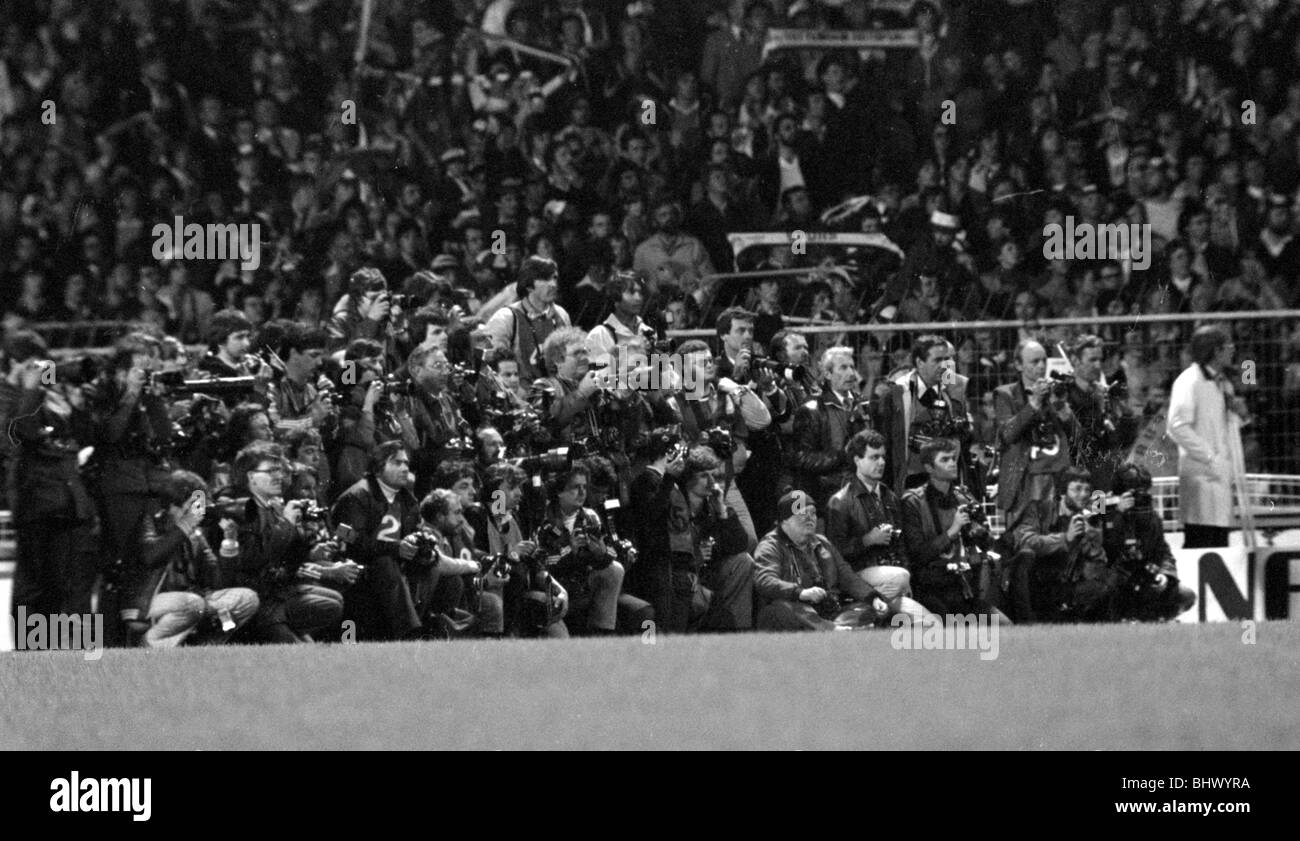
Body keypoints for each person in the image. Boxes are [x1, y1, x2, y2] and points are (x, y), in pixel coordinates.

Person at [130, 471, 260, 648]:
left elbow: (219, 582)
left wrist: (229, 541)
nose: (199, 511)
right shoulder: (152, 522)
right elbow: (151, 557)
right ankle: (150, 646)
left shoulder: (196, 535)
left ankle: (205, 647)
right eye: (194, 505)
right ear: (173, 505)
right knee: (193, 603)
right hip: (148, 604)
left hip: (190, 601)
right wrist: (187, 522)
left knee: (247, 599)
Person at [826, 431, 932, 623]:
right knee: (900, 577)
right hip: (859, 576)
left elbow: (901, 545)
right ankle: (870, 607)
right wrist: (866, 540)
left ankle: (875, 607)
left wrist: (905, 578)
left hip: (893, 577)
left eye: (883, 457)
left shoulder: (889, 496)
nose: (881, 462)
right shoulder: (840, 502)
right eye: (874, 457)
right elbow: (834, 555)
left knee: (931, 625)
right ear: (857, 460)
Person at [900, 438, 1008, 620]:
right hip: (931, 590)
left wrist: (980, 534)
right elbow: (917, 555)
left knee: (1006, 629)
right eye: (944, 460)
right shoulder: (913, 502)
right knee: (954, 637)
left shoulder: (963, 498)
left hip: (964, 588)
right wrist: (952, 531)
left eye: (953, 458)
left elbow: (989, 542)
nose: (952, 464)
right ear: (929, 468)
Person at [753, 490, 888, 631]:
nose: (809, 518)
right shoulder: (770, 545)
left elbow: (847, 576)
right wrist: (800, 593)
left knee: (873, 609)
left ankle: (837, 629)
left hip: (828, 611)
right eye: (801, 513)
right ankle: (834, 629)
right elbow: (764, 580)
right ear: (785, 520)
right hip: (797, 611)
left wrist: (873, 598)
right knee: (782, 608)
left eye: (812, 513)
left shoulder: (822, 542)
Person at [1167, 325, 1247, 548]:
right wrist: (1210, 457)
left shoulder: (1224, 384)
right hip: (1201, 477)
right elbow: (1176, 426)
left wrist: (1241, 415)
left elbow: (1224, 427)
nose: (1233, 350)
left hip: (1219, 476)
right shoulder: (1189, 381)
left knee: (1220, 541)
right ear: (1215, 350)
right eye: (1229, 345)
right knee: (1200, 541)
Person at [1010, 466, 1119, 623]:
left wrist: (1092, 537)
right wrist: (1065, 539)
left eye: (1087, 490)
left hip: (1068, 586)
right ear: (1062, 492)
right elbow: (1026, 542)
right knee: (1025, 555)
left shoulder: (1085, 519)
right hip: (1037, 585)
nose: (1083, 495)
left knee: (1107, 587)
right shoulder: (1039, 509)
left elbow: (1098, 565)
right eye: (1077, 489)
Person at [1103, 462, 1196, 621]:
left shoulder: (1152, 517)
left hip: (1144, 576)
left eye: (1144, 491)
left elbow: (1164, 551)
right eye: (1135, 492)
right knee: (1106, 590)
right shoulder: (1103, 510)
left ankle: (1157, 621)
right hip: (1114, 577)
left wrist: (1165, 574)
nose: (1141, 496)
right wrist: (1118, 513)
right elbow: (1104, 545)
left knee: (1184, 595)